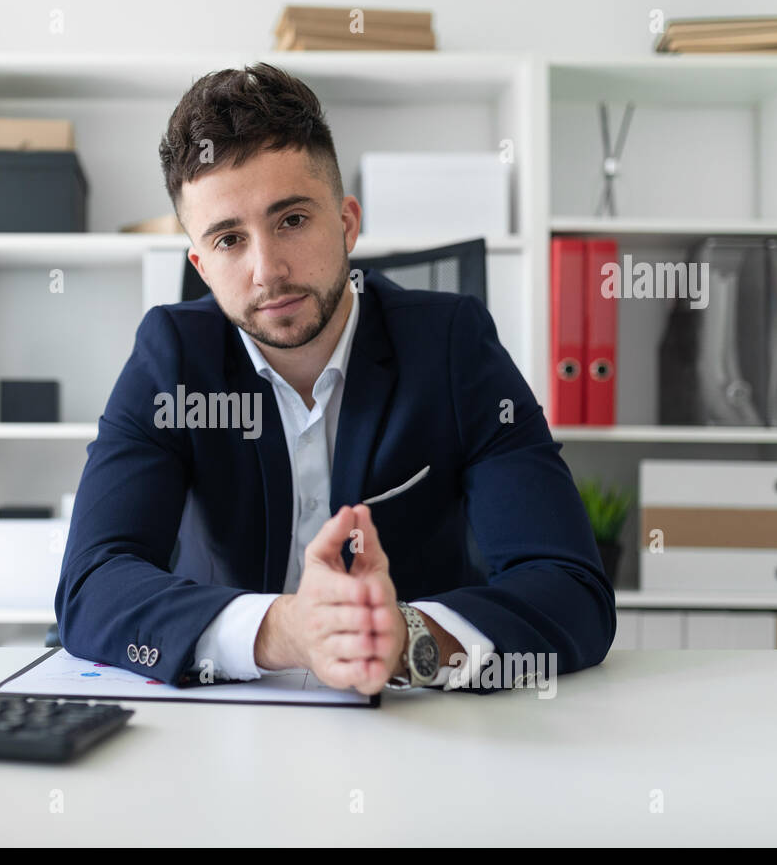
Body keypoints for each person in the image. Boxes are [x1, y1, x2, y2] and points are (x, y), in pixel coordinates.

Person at [55, 62, 615, 696]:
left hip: (418, 726)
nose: (267, 270)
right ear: (201, 266)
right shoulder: (172, 360)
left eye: (291, 220)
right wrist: (288, 630)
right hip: (227, 721)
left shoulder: (452, 346)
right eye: (229, 239)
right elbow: (91, 585)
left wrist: (406, 637)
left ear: (347, 222)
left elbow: (572, 589)